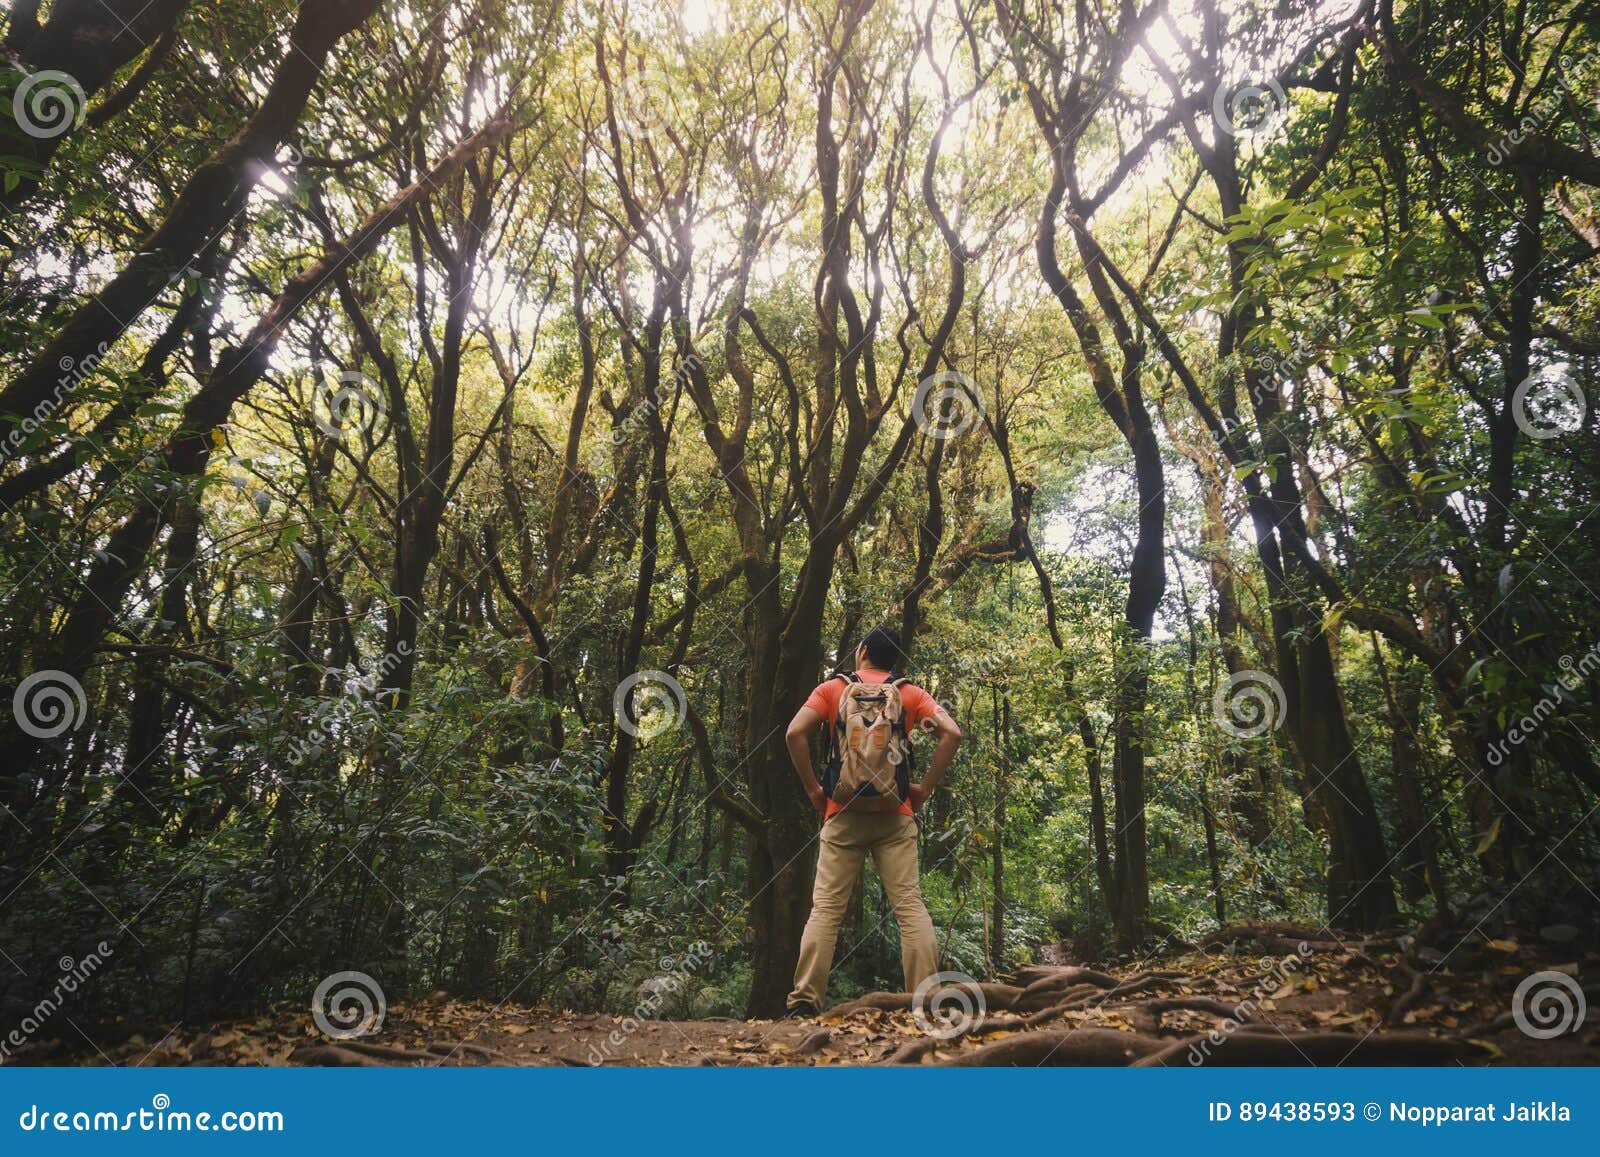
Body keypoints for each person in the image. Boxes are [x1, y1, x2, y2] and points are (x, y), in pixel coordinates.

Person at [783, 626, 962, 1016]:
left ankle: (804, 1003)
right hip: (895, 816)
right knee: (910, 909)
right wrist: (923, 788)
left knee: (826, 910)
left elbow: (794, 733)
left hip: (842, 814)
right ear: (894, 659)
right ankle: (926, 1003)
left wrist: (815, 791)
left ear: (863, 651)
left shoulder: (833, 689)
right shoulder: (910, 693)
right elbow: (951, 732)